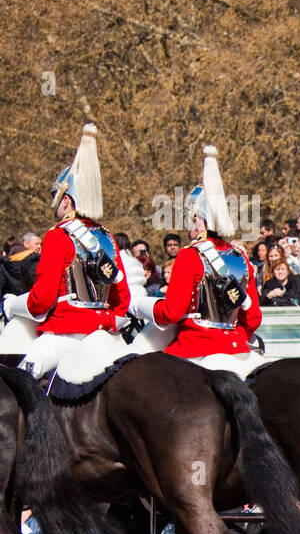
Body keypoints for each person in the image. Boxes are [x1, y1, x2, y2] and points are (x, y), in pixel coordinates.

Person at [2, 123, 130, 379]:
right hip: (106, 336)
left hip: (66, 332)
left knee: (18, 384)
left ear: (67, 199)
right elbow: (122, 299)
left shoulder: (58, 236)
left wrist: (12, 305)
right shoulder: (107, 238)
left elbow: (41, 301)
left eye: (55, 198)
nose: (54, 206)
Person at [134, 145, 262, 362]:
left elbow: (172, 312)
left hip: (195, 348)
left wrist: (139, 305)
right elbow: (253, 318)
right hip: (237, 348)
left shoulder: (189, 256)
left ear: (196, 219)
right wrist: (236, 337)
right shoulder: (240, 258)